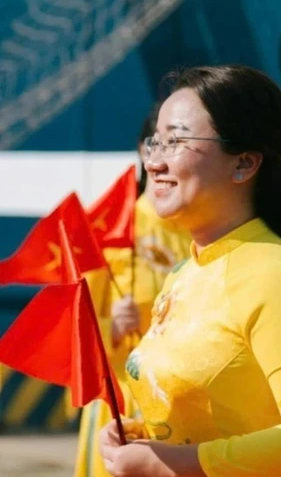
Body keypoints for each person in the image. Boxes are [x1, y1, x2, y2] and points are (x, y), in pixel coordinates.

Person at [97, 65, 281, 476]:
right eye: (154, 143)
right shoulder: (184, 273)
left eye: (175, 141)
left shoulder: (276, 274)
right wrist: (147, 434)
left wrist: (171, 464)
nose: (155, 162)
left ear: (244, 163)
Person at [75, 102, 193, 477]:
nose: (167, 157)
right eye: (159, 144)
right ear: (145, 152)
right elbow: (79, 331)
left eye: (180, 145)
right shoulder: (109, 231)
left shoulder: (198, 230)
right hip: (121, 404)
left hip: (183, 403)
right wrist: (111, 325)